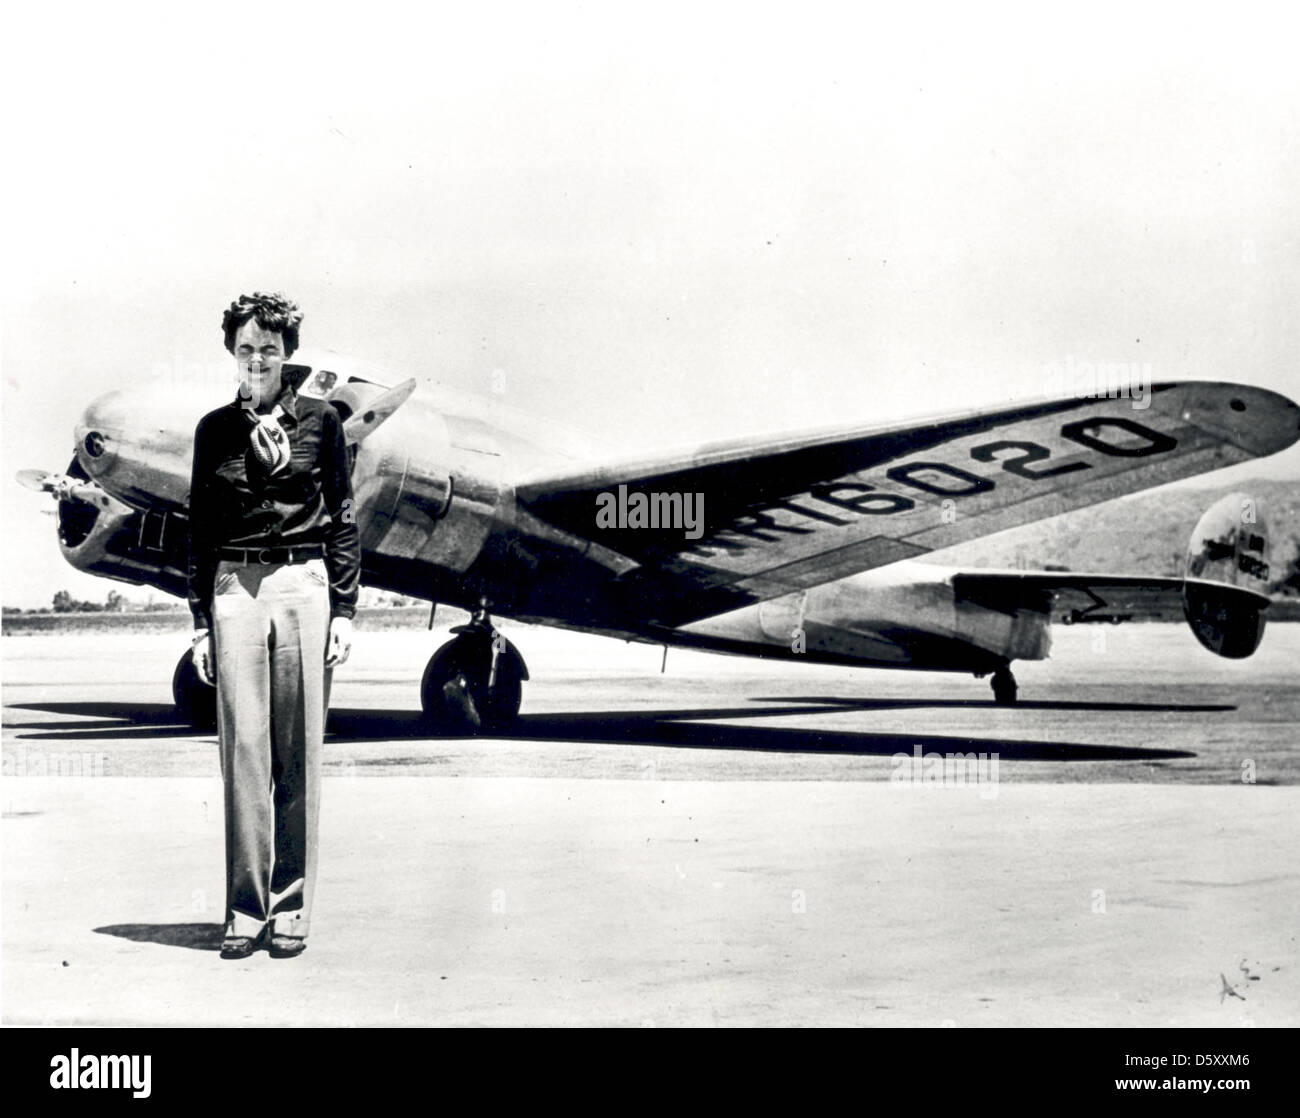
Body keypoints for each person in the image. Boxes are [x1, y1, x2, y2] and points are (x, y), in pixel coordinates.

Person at [187, 291, 360, 960]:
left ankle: (290, 910)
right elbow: (200, 531)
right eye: (245, 349)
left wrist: (344, 609)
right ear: (231, 353)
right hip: (235, 587)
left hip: (303, 586)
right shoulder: (213, 431)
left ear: (288, 352)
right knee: (243, 756)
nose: (256, 359)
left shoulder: (322, 422)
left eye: (268, 348)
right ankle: (244, 910)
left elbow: (342, 518)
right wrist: (200, 622)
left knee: (298, 755)